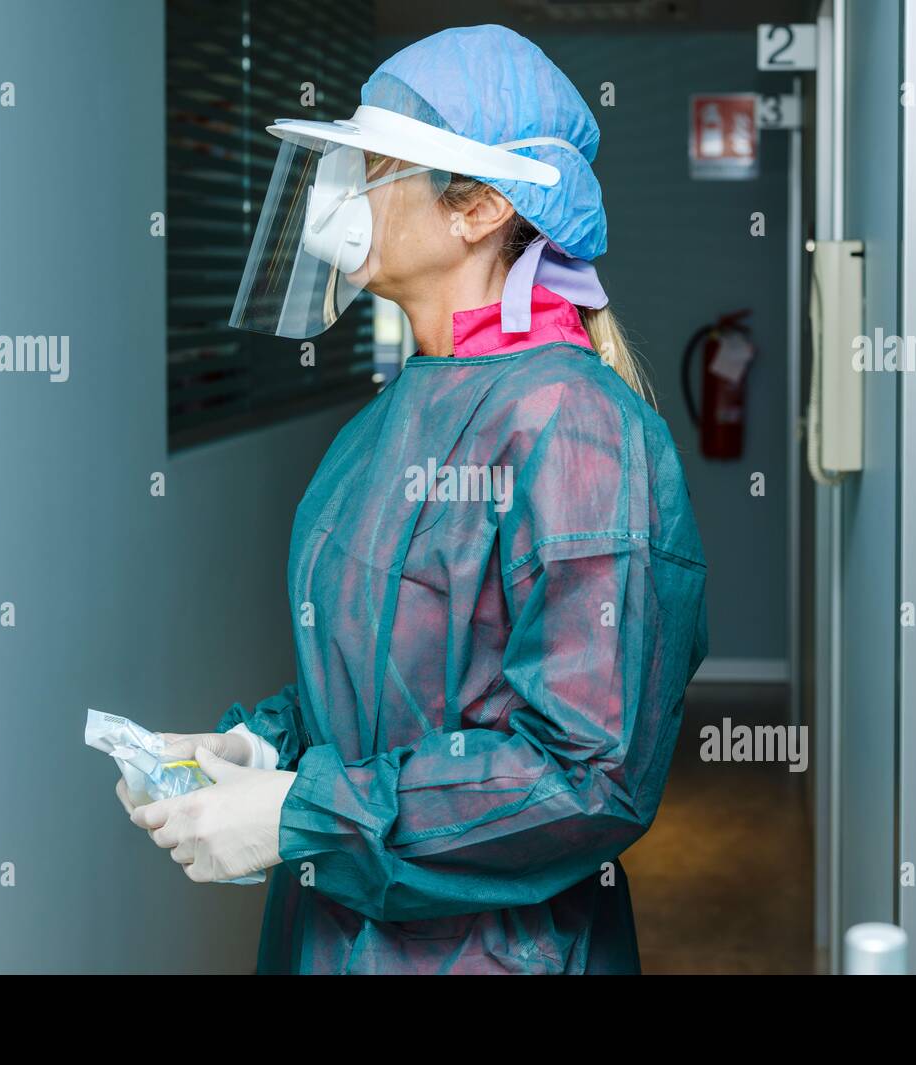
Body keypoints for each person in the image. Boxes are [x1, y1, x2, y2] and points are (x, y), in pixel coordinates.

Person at [124, 23, 708, 975]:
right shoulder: (397, 411)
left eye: (376, 165)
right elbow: (392, 670)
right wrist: (257, 748)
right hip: (332, 929)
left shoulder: (580, 431)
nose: (340, 193)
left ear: (478, 205)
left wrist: (301, 811)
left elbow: (585, 776)